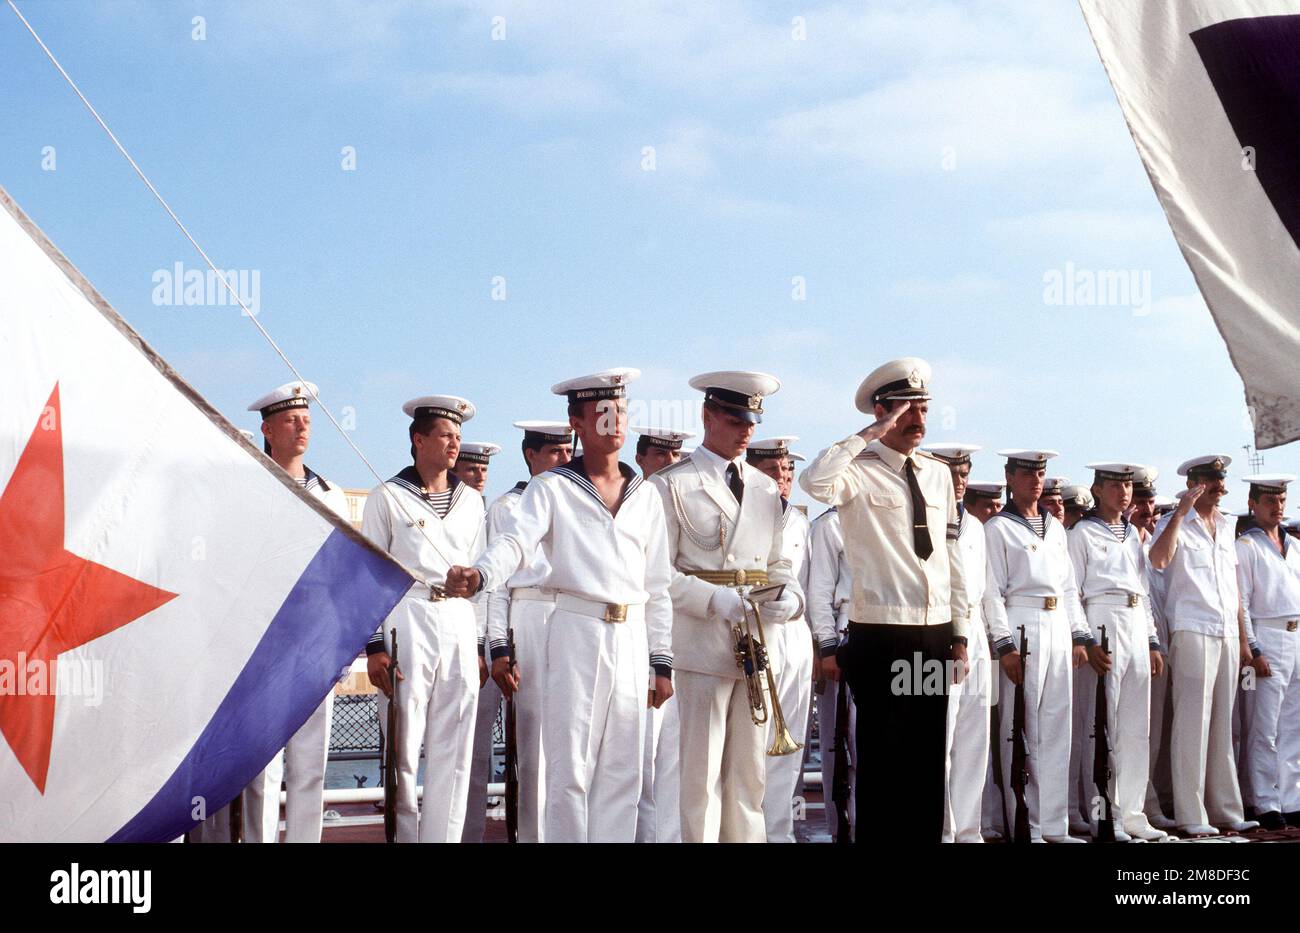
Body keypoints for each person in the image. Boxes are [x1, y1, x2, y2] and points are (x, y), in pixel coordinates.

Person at [446, 369, 675, 842]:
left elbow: (657, 585)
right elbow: (516, 542)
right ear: (577, 422)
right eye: (602, 413)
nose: (614, 422)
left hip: (631, 636)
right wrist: (481, 573)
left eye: (622, 412)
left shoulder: (645, 495)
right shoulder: (551, 488)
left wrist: (662, 661)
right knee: (569, 770)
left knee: (625, 772)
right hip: (575, 627)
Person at [799, 357, 968, 844]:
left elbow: (948, 560)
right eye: (906, 410)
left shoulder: (937, 474)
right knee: (883, 757)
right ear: (881, 413)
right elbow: (815, 483)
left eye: (923, 409)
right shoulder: (855, 471)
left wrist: (957, 633)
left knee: (926, 756)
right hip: (881, 633)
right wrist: (867, 436)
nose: (918, 420)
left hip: (933, 633)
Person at [651, 371, 803, 843]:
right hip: (701, 641)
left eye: (752, 420)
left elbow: (779, 562)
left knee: (748, 774)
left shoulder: (763, 487)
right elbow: (655, 573)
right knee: (700, 773)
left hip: (758, 641)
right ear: (707, 416)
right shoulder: (670, 485)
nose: (746, 430)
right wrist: (711, 599)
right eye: (736, 419)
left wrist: (790, 597)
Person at [362, 394, 486, 843]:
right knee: (403, 749)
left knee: (454, 749)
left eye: (458, 436)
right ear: (418, 440)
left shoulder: (472, 501)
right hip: (407, 617)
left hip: (457, 619)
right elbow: (369, 576)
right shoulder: (387, 497)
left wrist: (480, 644)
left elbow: (481, 575)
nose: (454, 444)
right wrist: (375, 646)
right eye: (445, 435)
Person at [237, 381, 351, 843]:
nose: (302, 426)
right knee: (261, 770)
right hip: (264, 641)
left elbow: (342, 578)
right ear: (267, 429)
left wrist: (342, 644)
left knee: (310, 767)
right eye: (291, 419)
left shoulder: (331, 494)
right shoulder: (249, 488)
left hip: (315, 643)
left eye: (306, 419)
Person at [983, 449, 1091, 843]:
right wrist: (1004, 644)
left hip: (1057, 623)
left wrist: (1079, 634)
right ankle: (1022, 821)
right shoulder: (998, 528)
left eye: (1040, 474)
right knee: (1020, 729)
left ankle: (1053, 824)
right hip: (1021, 621)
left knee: (1056, 728)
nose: (1035, 480)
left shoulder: (1055, 528)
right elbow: (991, 592)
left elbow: (1068, 588)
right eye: (1027, 473)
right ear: (1010, 478)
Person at [1148, 454, 1258, 835]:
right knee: (1192, 724)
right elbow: (1159, 560)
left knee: (1223, 725)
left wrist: (1244, 639)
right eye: (1210, 481)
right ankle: (1190, 813)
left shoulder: (1227, 526)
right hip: (1192, 628)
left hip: (1226, 629)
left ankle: (1225, 808)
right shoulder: (1173, 523)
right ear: (1194, 483)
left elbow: (1235, 590)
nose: (1218, 487)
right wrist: (1180, 513)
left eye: (1221, 481)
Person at [480, 421, 574, 843]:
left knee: (575, 739)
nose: (565, 459)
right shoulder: (507, 507)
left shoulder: (579, 500)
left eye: (567, 450)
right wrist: (498, 646)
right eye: (554, 452)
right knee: (533, 746)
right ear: (530, 455)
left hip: (576, 615)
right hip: (530, 613)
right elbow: (497, 587)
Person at [1066, 462, 1167, 842]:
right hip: (1101, 617)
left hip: (1134, 621)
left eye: (1128, 485)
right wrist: (1085, 638)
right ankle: (1103, 812)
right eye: (1115, 485)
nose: (1124, 492)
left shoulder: (1132, 535)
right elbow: (1071, 592)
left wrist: (1153, 641)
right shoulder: (1082, 534)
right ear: (1097, 488)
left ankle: (1133, 812)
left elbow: (1142, 592)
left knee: (1135, 726)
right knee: (1102, 724)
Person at [923, 443, 993, 844]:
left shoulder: (978, 528)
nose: (960, 481)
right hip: (941, 632)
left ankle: (968, 828)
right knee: (941, 734)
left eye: (964, 473)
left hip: (976, 632)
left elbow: (985, 589)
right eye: (953, 474)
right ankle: (943, 829)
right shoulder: (925, 519)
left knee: (973, 735)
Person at [747, 436, 813, 843]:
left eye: (787, 472)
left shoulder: (801, 520)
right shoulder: (744, 512)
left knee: (790, 745)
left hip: (795, 635)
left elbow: (808, 583)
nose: (783, 479)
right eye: (773, 471)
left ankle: (780, 832)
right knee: (753, 743)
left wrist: (796, 602)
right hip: (758, 632)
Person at [630, 426, 694, 844]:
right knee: (641, 759)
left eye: (675, 456)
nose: (669, 464)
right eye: (659, 455)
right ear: (641, 459)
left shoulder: (690, 506)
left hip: (688, 641)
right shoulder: (631, 503)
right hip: (641, 639)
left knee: (676, 757)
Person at [1234, 474, 1300, 830]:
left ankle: (1290, 797)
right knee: (1264, 725)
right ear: (1253, 504)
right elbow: (1240, 601)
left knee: (1293, 725)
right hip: (1267, 634)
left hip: (1295, 634)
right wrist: (1252, 647)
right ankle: (1264, 799)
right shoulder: (1247, 546)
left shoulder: (1294, 545)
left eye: (1281, 500)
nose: (1277, 507)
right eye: (1270, 501)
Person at [806, 504, 854, 841]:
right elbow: (820, 590)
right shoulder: (830, 525)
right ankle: (842, 827)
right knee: (838, 747)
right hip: (846, 633)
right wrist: (826, 646)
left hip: (889, 631)